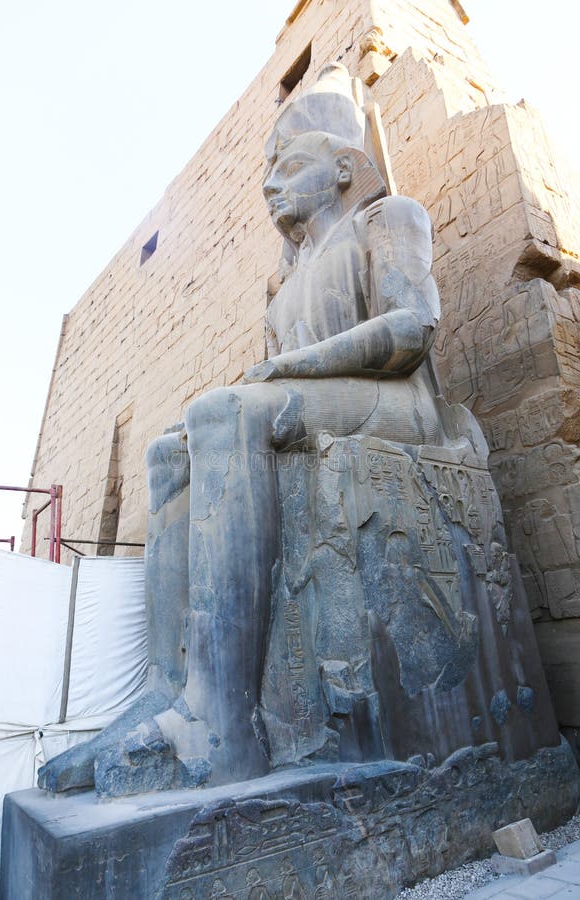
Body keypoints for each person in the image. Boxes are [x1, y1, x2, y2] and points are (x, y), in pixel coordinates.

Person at [38, 63, 449, 795]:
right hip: (328, 405)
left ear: (346, 166)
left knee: (225, 410)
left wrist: (293, 371)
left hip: (402, 408)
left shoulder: (391, 218)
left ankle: (224, 717)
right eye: (266, 172)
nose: (268, 186)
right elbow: (274, 386)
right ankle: (170, 688)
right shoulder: (284, 286)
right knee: (170, 450)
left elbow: (412, 326)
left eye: (289, 165)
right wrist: (280, 378)